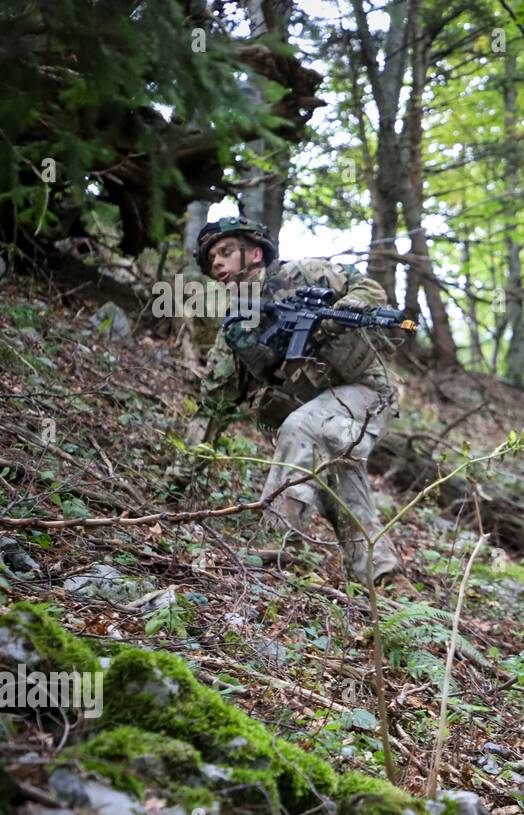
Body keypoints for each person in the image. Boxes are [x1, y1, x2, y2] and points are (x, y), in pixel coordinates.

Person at [164, 215, 411, 592]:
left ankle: (274, 554)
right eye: (211, 258)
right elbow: (211, 413)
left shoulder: (307, 275)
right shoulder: (236, 334)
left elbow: (371, 289)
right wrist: (171, 490)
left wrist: (343, 312)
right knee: (336, 484)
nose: (217, 263)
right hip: (320, 415)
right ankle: (386, 580)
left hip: (368, 392)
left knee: (303, 427)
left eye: (227, 252)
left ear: (256, 253)